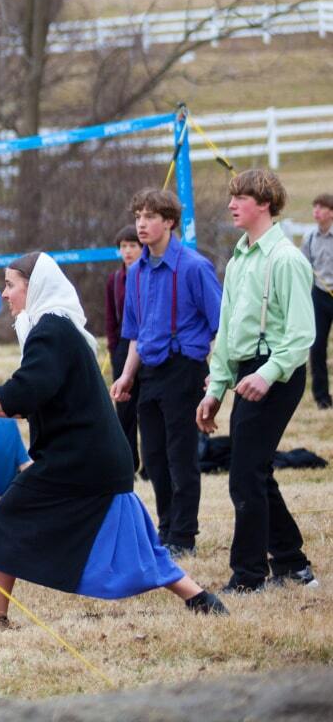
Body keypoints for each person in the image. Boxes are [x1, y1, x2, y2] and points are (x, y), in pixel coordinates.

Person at [0, 253, 225, 625]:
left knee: (7, 514)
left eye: (10, 285)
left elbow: (28, 389)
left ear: (34, 287)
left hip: (81, 460)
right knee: (135, 542)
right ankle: (200, 598)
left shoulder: (50, 329)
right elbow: (33, 399)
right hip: (98, 459)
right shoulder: (56, 328)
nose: (5, 294)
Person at [196, 169, 321, 593]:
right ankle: (292, 563)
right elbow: (229, 332)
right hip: (248, 371)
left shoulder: (286, 259)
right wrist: (215, 389)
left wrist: (268, 374)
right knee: (255, 470)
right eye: (232, 197)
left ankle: (249, 576)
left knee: (244, 474)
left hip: (278, 373)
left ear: (264, 203)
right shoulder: (238, 260)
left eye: (241, 197)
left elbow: (302, 334)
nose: (232, 204)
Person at [109, 188, 221, 557]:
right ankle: (166, 527)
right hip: (150, 373)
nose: (141, 223)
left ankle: (184, 535)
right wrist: (126, 376)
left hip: (185, 368)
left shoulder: (194, 266)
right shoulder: (136, 272)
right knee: (153, 455)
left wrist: (216, 374)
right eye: (138, 215)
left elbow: (221, 324)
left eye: (150, 216)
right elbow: (136, 334)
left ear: (169, 222)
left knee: (180, 454)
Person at [103, 226, 142, 470]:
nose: (127, 251)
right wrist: (114, 348)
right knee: (125, 409)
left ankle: (151, 463)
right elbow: (110, 318)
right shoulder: (114, 279)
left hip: (145, 345)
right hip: (122, 346)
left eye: (132, 245)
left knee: (148, 409)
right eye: (123, 246)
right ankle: (129, 461)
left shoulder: (147, 275)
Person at [303, 191, 333, 409]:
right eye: (315, 207)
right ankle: (322, 398)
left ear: (331, 213)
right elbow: (303, 266)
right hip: (320, 296)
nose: (317, 211)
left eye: (321, 207)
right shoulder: (309, 237)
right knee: (317, 346)